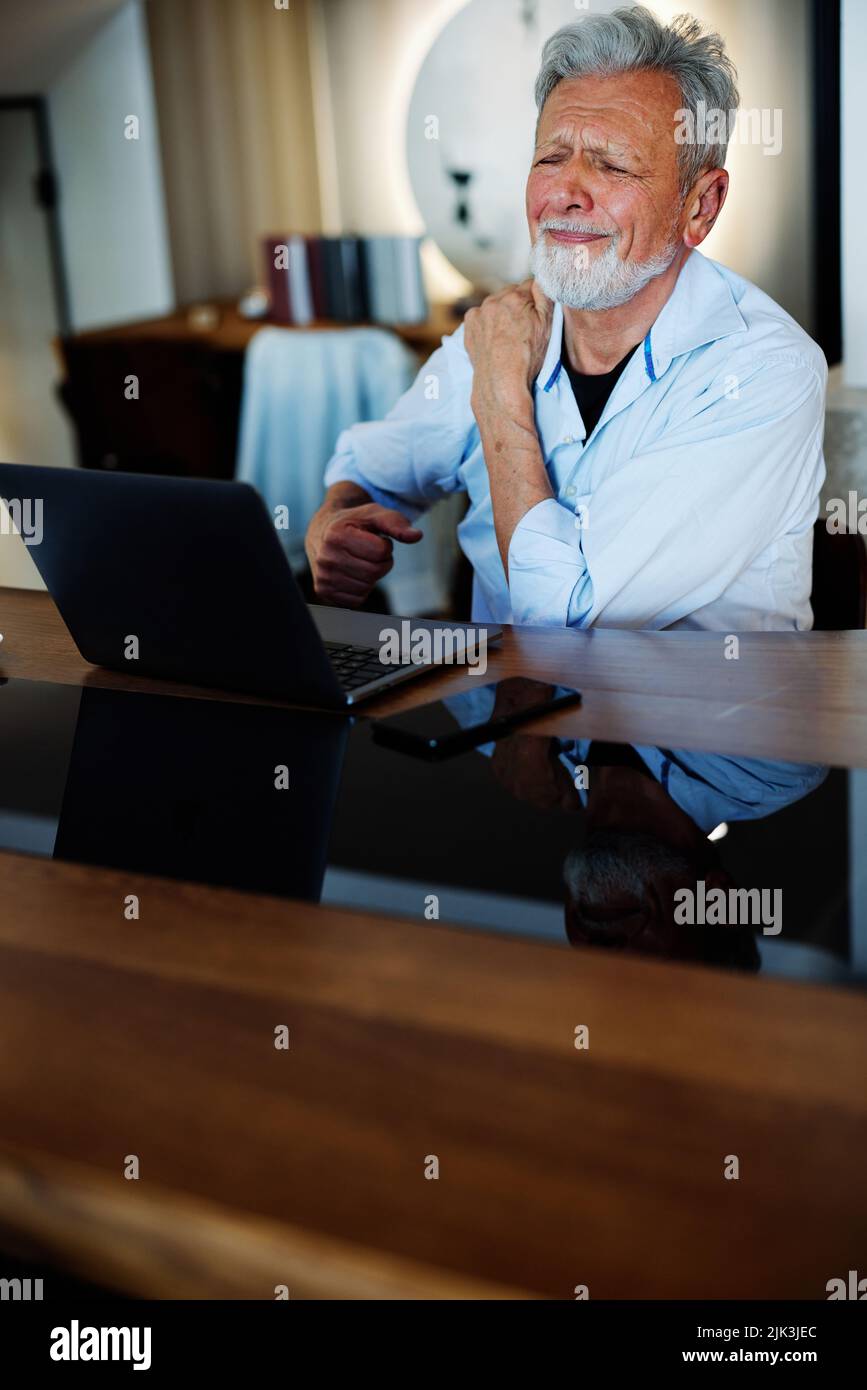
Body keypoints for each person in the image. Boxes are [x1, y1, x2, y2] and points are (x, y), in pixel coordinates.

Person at [305, 5, 826, 632]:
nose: (567, 192)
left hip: (684, 729)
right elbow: (369, 470)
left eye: (612, 165)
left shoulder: (764, 371)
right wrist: (336, 521)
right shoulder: (505, 327)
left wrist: (500, 399)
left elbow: (565, 618)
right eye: (551, 158)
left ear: (701, 205)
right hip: (502, 727)